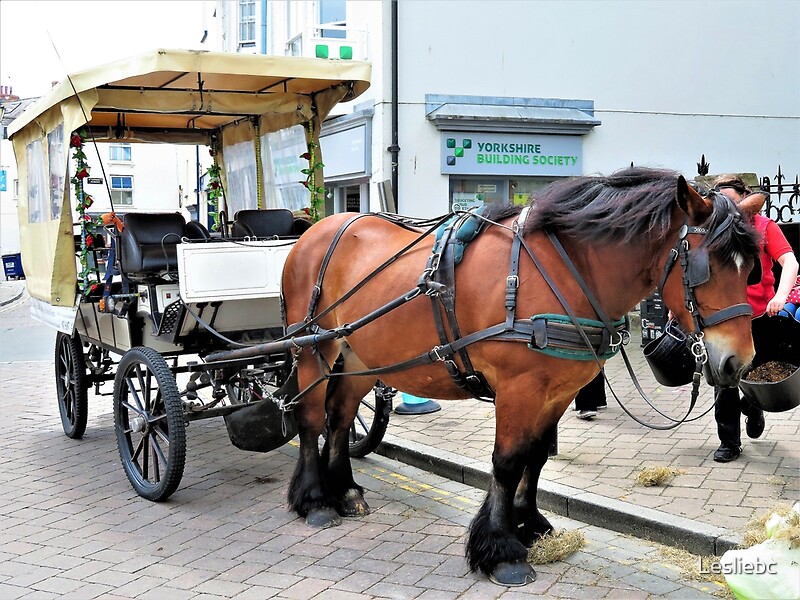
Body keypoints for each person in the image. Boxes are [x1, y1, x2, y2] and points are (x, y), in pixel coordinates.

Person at [711, 175, 799, 462]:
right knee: (725, 380)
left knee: (751, 376)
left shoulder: (764, 227)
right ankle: (729, 443)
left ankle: (752, 406)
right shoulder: (712, 231)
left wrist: (781, 296)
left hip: (759, 315)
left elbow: (790, 262)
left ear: (747, 200)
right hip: (723, 318)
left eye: (734, 202)